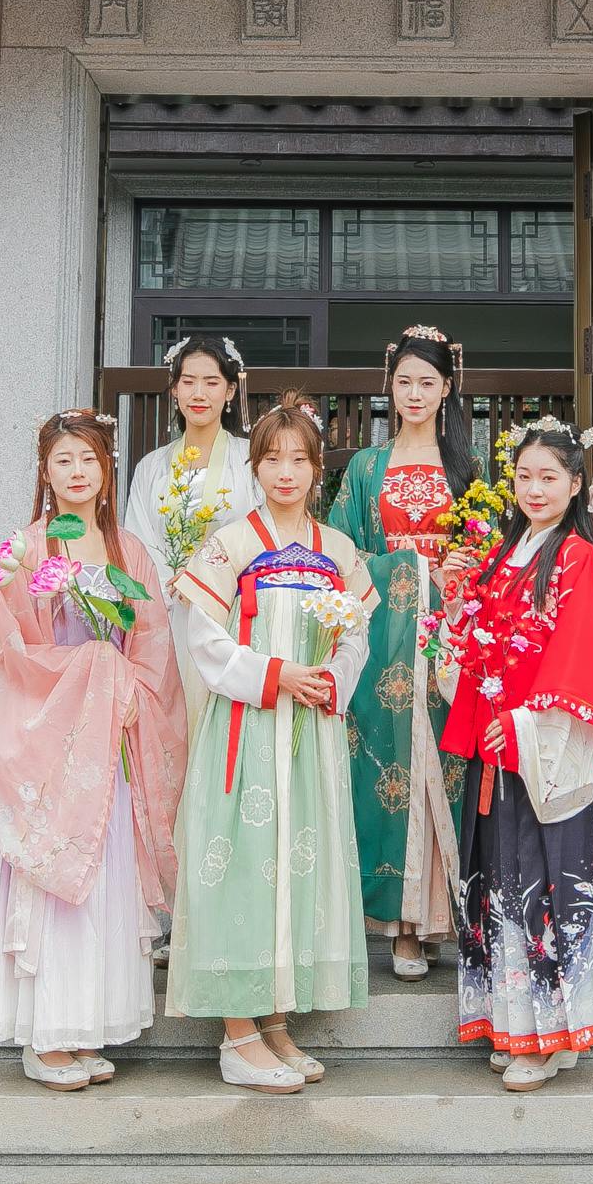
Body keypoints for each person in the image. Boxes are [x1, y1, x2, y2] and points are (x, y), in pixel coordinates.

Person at [0, 409, 189, 1089]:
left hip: (113, 744)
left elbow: (154, 648)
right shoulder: (26, 552)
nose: (75, 472)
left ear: (105, 473)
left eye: (87, 461)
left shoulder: (131, 553)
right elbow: (9, 653)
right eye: (62, 460)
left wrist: (120, 682)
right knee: (63, 885)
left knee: (106, 881)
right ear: (45, 471)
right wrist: (88, 670)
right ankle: (46, 1035)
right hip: (55, 746)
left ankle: (88, 1025)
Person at [166, 396, 376, 1094]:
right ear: (254, 467)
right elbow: (204, 639)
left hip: (310, 732)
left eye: (299, 459)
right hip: (247, 728)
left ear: (319, 469)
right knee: (244, 862)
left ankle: (276, 1019)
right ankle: (236, 1033)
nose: (285, 471)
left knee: (295, 866)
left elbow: (357, 636)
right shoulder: (227, 544)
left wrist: (330, 680)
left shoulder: (338, 550)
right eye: (271, 458)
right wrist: (277, 674)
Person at [433, 417, 593, 1091]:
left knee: (541, 884)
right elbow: (467, 646)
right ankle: (517, 1024)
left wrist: (521, 723)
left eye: (550, 477)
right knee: (501, 881)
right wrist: (455, 598)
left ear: (576, 485)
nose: (534, 489)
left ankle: (549, 1035)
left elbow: (578, 657)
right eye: (524, 477)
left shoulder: (575, 558)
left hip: (539, 746)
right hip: (496, 745)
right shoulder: (501, 554)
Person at [327, 324, 478, 981]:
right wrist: (411, 569)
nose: (415, 393)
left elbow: (488, 555)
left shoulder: (467, 469)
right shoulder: (365, 466)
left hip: (448, 639)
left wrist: (462, 572)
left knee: (448, 768)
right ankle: (397, 924)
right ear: (390, 385)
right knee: (386, 769)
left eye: (428, 382)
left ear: (448, 389)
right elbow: (341, 553)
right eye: (405, 380)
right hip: (386, 639)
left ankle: (438, 917)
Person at [124, 334, 259, 583]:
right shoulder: (151, 466)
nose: (198, 394)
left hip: (231, 600)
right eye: (188, 382)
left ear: (230, 391)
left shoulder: (252, 460)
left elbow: (262, 536)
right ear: (174, 388)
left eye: (211, 383)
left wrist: (204, 582)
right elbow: (138, 541)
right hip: (164, 600)